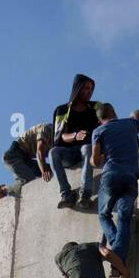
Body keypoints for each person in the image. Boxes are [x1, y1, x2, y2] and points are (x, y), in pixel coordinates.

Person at [91, 104, 139, 277]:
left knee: (104, 214)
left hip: (111, 174)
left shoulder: (98, 131)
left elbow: (94, 161)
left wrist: (101, 157)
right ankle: (117, 261)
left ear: (100, 120)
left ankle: (116, 251)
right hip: (131, 177)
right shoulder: (130, 123)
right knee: (124, 216)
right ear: (115, 112)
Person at [49, 74, 103, 209]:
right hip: (69, 153)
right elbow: (60, 136)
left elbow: (107, 124)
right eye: (86, 88)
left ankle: (85, 195)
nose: (89, 92)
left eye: (91, 89)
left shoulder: (96, 107)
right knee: (53, 152)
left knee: (86, 148)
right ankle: (66, 194)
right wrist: (75, 135)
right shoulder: (62, 110)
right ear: (77, 89)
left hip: (89, 149)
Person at [0, 122, 53, 199]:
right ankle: (3, 190)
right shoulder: (47, 129)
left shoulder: (58, 139)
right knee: (29, 181)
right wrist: (44, 170)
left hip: (26, 159)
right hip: (13, 156)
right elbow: (39, 152)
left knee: (51, 169)